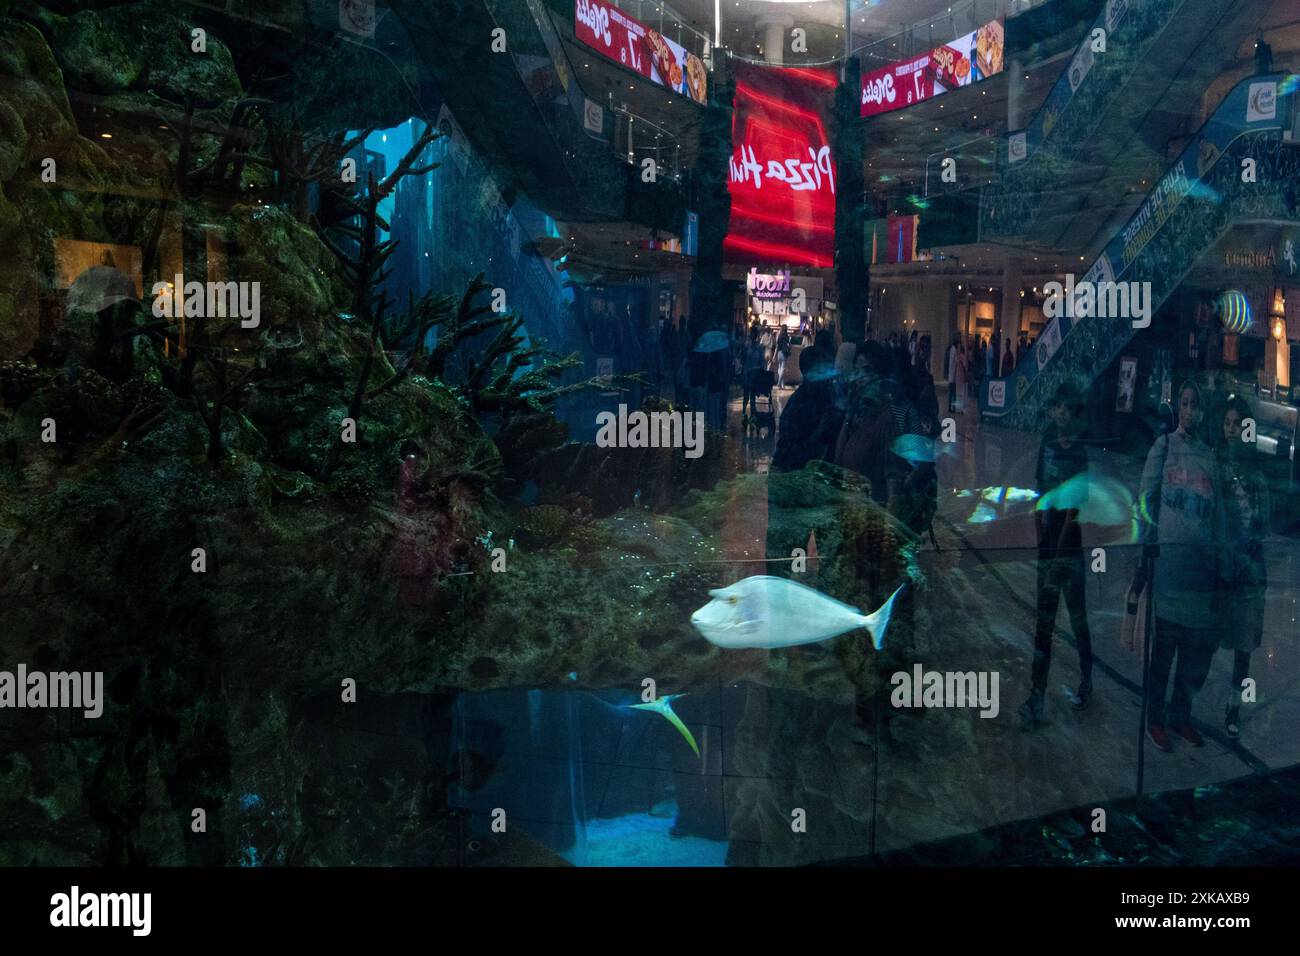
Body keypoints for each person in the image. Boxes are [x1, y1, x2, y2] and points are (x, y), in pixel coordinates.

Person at [1136, 380, 1223, 752]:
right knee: (1163, 654)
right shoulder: (1164, 446)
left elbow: (1217, 514)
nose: (1189, 411)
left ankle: (1180, 716)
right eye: (1185, 404)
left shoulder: (1210, 456)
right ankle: (1155, 719)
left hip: (1198, 574)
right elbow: (1145, 497)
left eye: (1195, 405)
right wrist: (1146, 544)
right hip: (1168, 571)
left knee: (1191, 657)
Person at [1019, 384, 1094, 726]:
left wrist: (1056, 551)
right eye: (1056, 407)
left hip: (1069, 549)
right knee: (1044, 624)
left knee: (1077, 617)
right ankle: (1036, 695)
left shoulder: (1079, 454)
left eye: (1065, 408)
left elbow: (1073, 510)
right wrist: (1040, 541)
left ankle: (1086, 679)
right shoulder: (1047, 443)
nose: (1059, 412)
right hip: (1049, 545)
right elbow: (1039, 494)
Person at [1216, 395, 1269, 739]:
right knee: (1209, 637)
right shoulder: (1216, 466)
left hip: (1249, 574)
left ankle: (1235, 705)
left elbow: (1263, 525)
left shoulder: (1256, 474)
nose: (1232, 429)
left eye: (1238, 424)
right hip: (1221, 569)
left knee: (1243, 648)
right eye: (1228, 423)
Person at [771, 345, 842, 473]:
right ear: (807, 372)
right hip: (792, 477)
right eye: (821, 371)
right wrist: (819, 432)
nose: (828, 376)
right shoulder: (797, 406)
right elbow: (791, 454)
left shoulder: (827, 395)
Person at [945, 337, 959, 414]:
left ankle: (951, 407)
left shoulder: (952, 349)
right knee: (953, 393)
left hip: (952, 374)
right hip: (952, 375)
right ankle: (952, 407)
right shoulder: (954, 350)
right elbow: (955, 361)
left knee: (952, 392)